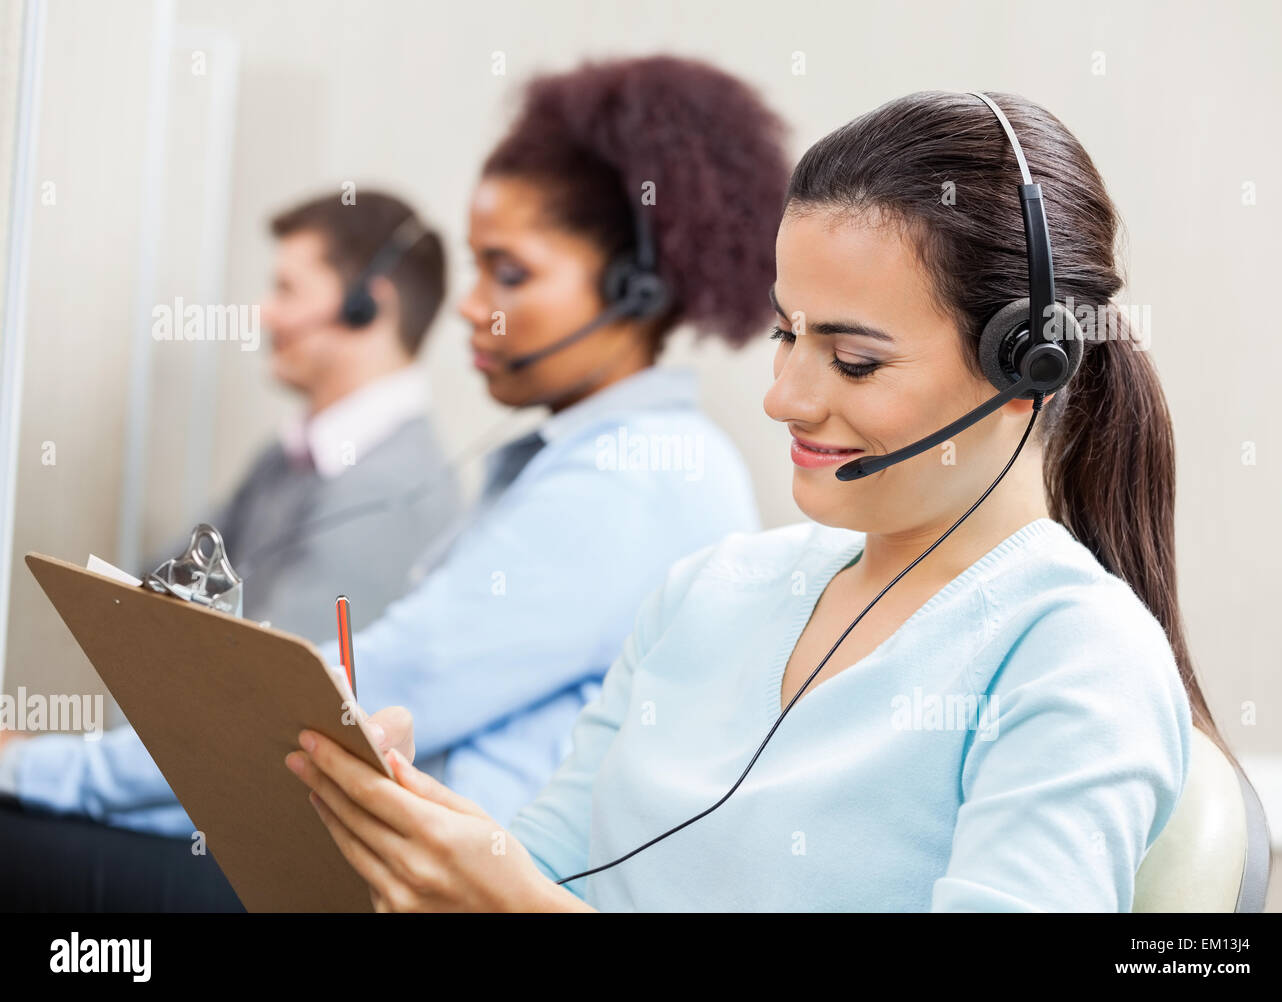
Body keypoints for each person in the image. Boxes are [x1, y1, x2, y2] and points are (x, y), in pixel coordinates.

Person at [286, 90, 1228, 913]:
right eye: (786, 334)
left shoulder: (1074, 656)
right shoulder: (706, 592)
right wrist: (406, 833)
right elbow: (545, 869)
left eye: (855, 360)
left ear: (1027, 364)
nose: (785, 397)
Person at [0, 55, 791, 910]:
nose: (467, 303)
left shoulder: (640, 477)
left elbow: (382, 687)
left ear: (635, 289)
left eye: (510, 272)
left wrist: (38, 765)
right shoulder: (578, 459)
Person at [0, 189, 459, 908]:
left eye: (287, 289)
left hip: (258, 863)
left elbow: (252, 735)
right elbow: (149, 597)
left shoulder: (391, 498)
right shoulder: (296, 459)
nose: (266, 315)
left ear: (370, 304)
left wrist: (35, 763)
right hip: (187, 804)